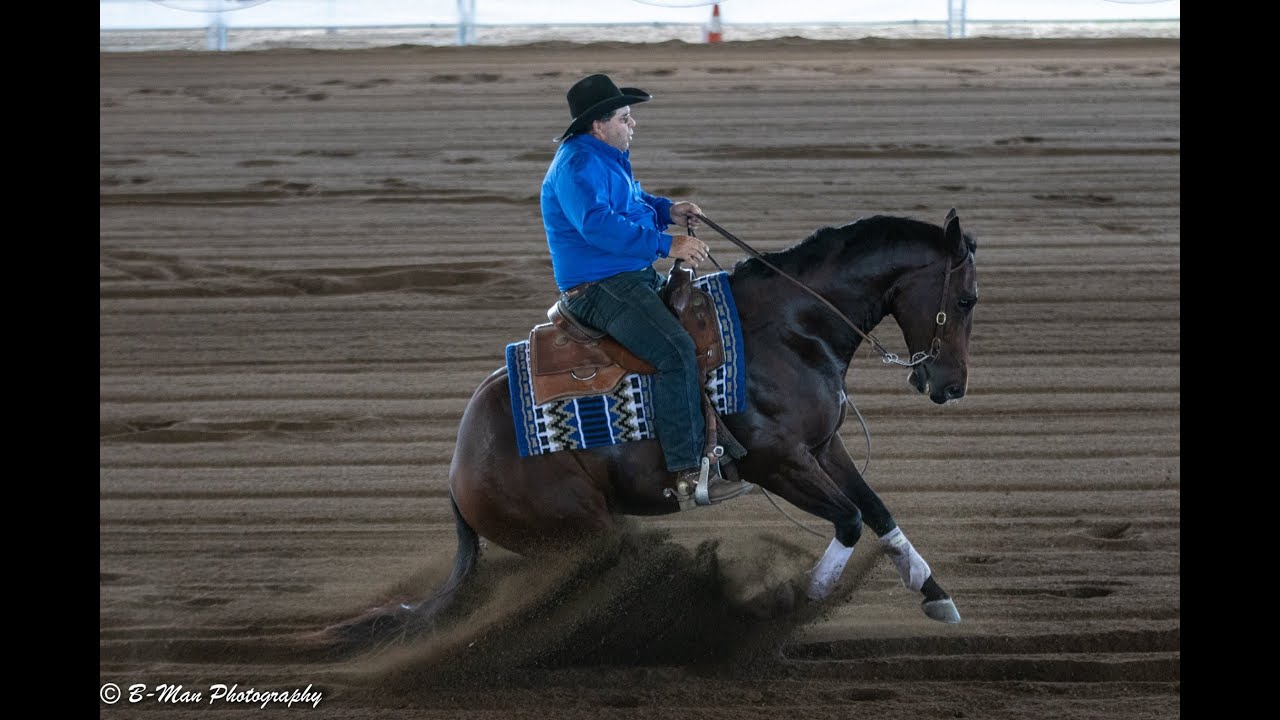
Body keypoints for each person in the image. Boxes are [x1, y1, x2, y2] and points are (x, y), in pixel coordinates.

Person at [540, 73, 753, 505]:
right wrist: (667, 243)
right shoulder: (577, 166)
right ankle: (687, 470)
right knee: (674, 350)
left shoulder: (605, 155)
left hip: (629, 276)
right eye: (625, 117)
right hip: (599, 287)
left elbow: (632, 203)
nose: (632, 124)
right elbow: (597, 226)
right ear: (599, 124)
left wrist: (667, 210)